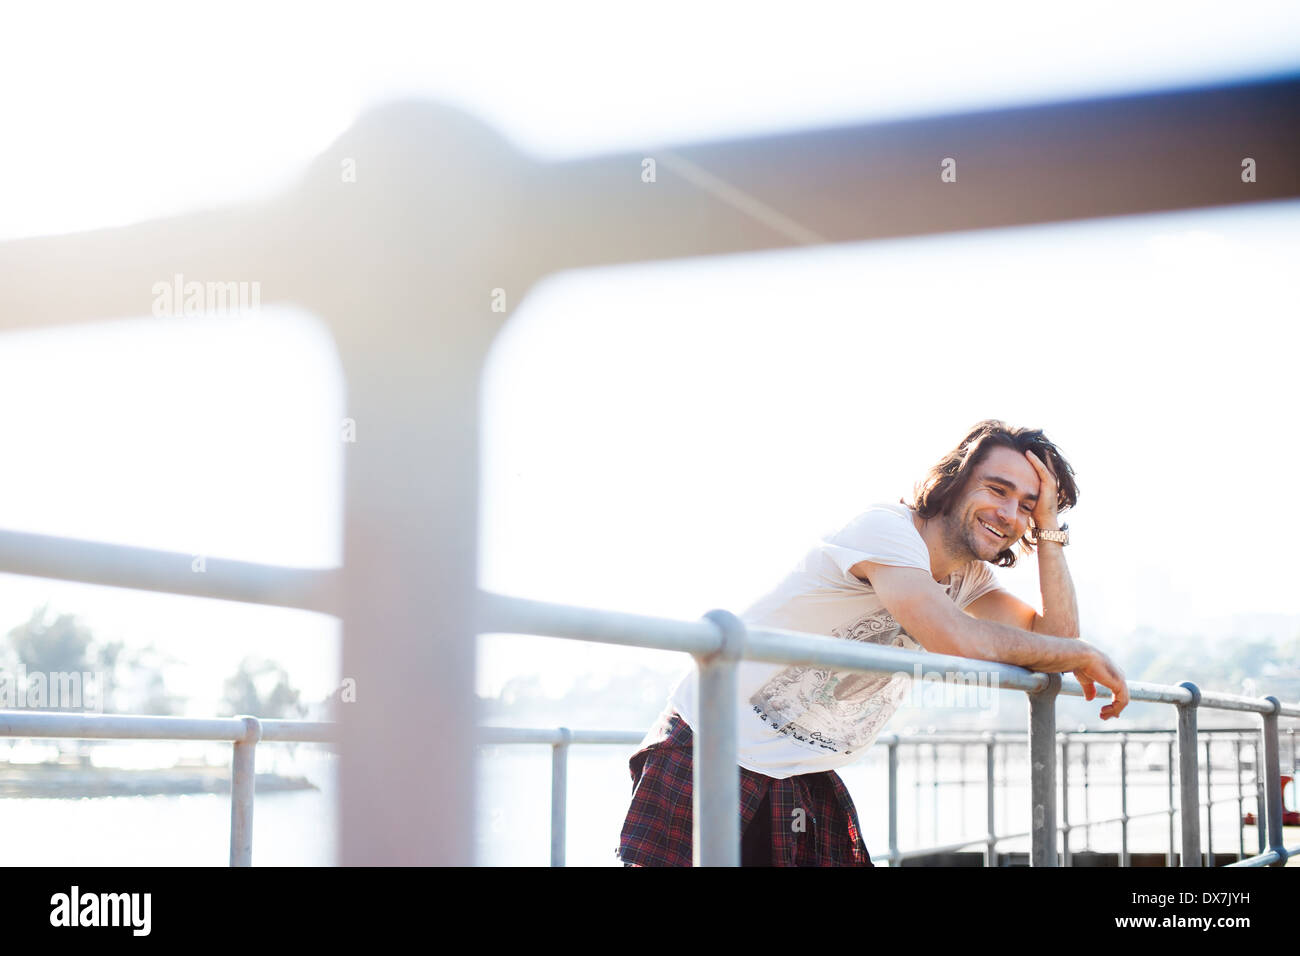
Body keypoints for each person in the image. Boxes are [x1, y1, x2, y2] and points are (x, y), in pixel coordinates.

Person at [616, 420, 1129, 867]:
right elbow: (954, 637)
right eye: (997, 489)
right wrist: (1082, 656)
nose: (1009, 513)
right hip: (712, 748)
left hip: (802, 771)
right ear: (954, 480)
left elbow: (1055, 641)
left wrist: (1048, 531)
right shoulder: (887, 530)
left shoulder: (968, 576)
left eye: (1026, 506)